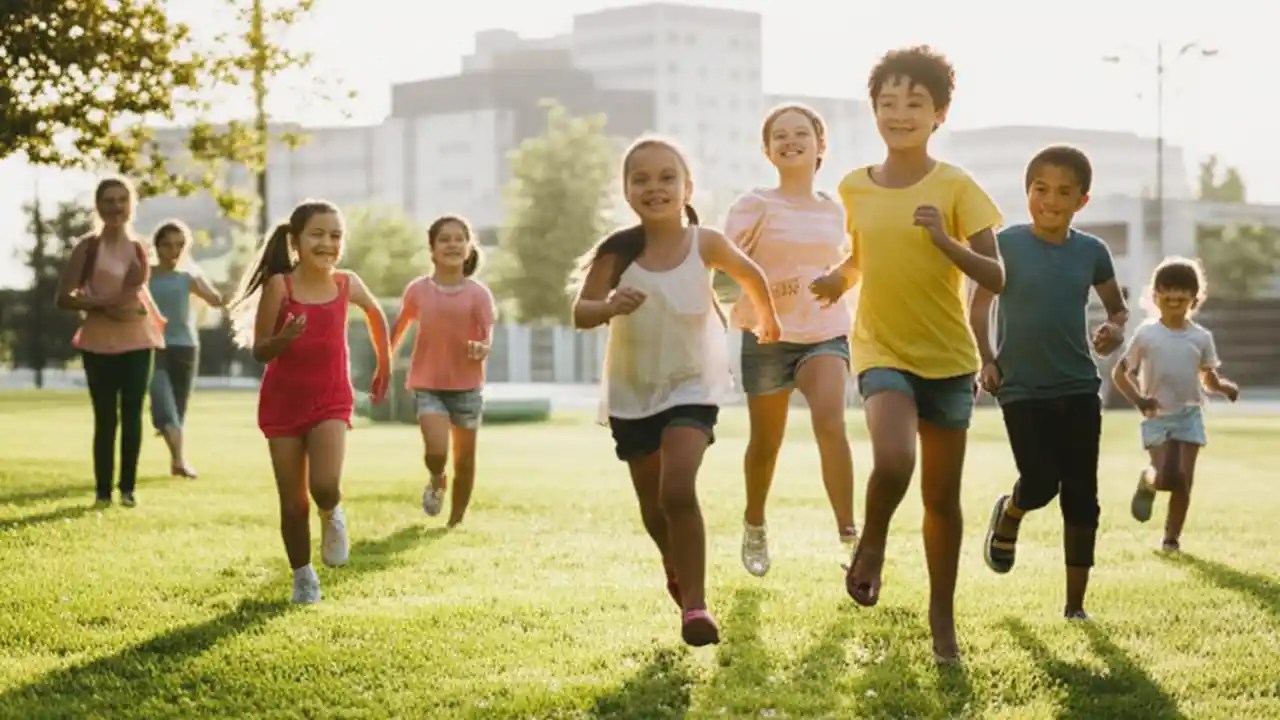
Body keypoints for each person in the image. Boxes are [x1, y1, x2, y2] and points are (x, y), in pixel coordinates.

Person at [810, 45, 1004, 663]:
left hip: (949, 357)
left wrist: (944, 240)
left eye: (914, 102)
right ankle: (872, 545)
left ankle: (941, 619)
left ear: (939, 113)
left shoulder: (956, 185)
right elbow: (862, 257)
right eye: (887, 102)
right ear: (873, 111)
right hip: (880, 346)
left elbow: (996, 276)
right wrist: (837, 281)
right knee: (893, 459)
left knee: (941, 501)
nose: (899, 113)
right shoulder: (853, 187)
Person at [571, 136, 781, 647]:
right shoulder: (620, 251)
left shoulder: (703, 242)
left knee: (677, 489)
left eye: (667, 177)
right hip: (633, 391)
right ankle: (674, 562)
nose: (654, 187)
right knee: (653, 508)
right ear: (625, 191)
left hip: (692, 385)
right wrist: (611, 305)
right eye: (640, 179)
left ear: (687, 186)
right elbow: (581, 312)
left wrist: (767, 319)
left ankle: (696, 606)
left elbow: (750, 273)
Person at [970, 145, 1129, 621]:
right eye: (1041, 189)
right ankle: (1012, 512)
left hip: (1079, 386)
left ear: (1082, 200)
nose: (1051, 200)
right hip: (1020, 386)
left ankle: (1075, 606)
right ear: (1027, 193)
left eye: (1064, 192)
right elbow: (978, 307)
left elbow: (1117, 307)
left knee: (1082, 493)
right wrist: (987, 359)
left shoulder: (1092, 252)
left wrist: (1115, 329)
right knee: (1040, 484)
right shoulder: (1007, 244)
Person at [227, 199, 391, 604]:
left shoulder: (347, 283)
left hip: (331, 398)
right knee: (293, 503)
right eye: (317, 234)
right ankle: (303, 575)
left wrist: (384, 362)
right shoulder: (280, 285)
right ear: (296, 242)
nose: (328, 243)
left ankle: (332, 513)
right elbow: (261, 350)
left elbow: (375, 313)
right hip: (283, 403)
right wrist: (284, 339)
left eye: (335, 235)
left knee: (323, 485)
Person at [724, 102, 857, 577]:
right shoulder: (753, 204)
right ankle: (755, 522)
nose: (790, 141)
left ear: (821, 146)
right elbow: (726, 263)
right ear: (766, 150)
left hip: (824, 332)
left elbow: (855, 263)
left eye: (801, 133)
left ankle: (849, 535)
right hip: (768, 336)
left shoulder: (838, 210)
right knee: (766, 442)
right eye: (779, 135)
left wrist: (840, 281)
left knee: (830, 424)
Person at [1111, 257, 1239, 553]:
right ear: (1155, 295)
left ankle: (1171, 539)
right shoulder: (1147, 333)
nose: (1174, 299)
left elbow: (1208, 375)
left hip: (1190, 414)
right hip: (1157, 415)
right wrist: (1139, 399)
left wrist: (1223, 387)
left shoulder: (1201, 337)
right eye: (1167, 292)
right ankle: (1148, 481)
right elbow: (1120, 372)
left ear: (1194, 299)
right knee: (1167, 476)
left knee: (1183, 480)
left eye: (1181, 295)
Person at [55, 177, 166, 509]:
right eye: (108, 200)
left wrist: (108, 304)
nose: (115, 207)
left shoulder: (139, 249)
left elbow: (132, 294)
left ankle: (127, 489)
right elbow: (64, 297)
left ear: (131, 205)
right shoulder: (87, 247)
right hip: (97, 342)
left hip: (138, 339)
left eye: (121, 200)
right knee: (105, 417)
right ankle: (103, 490)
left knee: (132, 412)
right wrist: (102, 306)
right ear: (98, 206)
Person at [390, 214, 496, 528]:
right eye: (444, 239)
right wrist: (385, 364)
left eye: (459, 239)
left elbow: (488, 332)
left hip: (467, 386)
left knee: (465, 460)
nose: (452, 244)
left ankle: (455, 521)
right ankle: (437, 478)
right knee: (437, 452)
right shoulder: (418, 290)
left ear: (468, 247)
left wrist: (483, 346)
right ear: (432, 250)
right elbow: (399, 330)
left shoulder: (478, 294)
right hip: (428, 383)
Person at [148, 219, 225, 478]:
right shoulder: (144, 276)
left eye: (180, 245)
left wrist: (212, 291)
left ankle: (175, 461)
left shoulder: (188, 277)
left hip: (185, 348)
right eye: (167, 245)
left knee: (178, 411)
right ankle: (181, 460)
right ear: (157, 247)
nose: (174, 250)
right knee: (163, 404)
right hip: (152, 346)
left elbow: (214, 300)